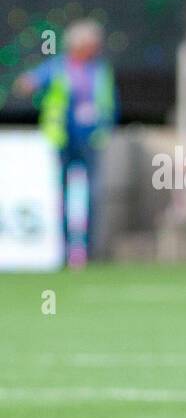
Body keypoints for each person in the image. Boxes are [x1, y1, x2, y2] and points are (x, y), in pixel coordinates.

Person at [14, 19, 117, 266]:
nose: (95, 48)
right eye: (91, 44)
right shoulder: (58, 68)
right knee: (64, 195)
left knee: (93, 195)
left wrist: (104, 128)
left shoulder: (100, 70)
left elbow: (109, 103)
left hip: (91, 139)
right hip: (64, 139)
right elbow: (26, 84)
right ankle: (64, 252)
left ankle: (89, 252)